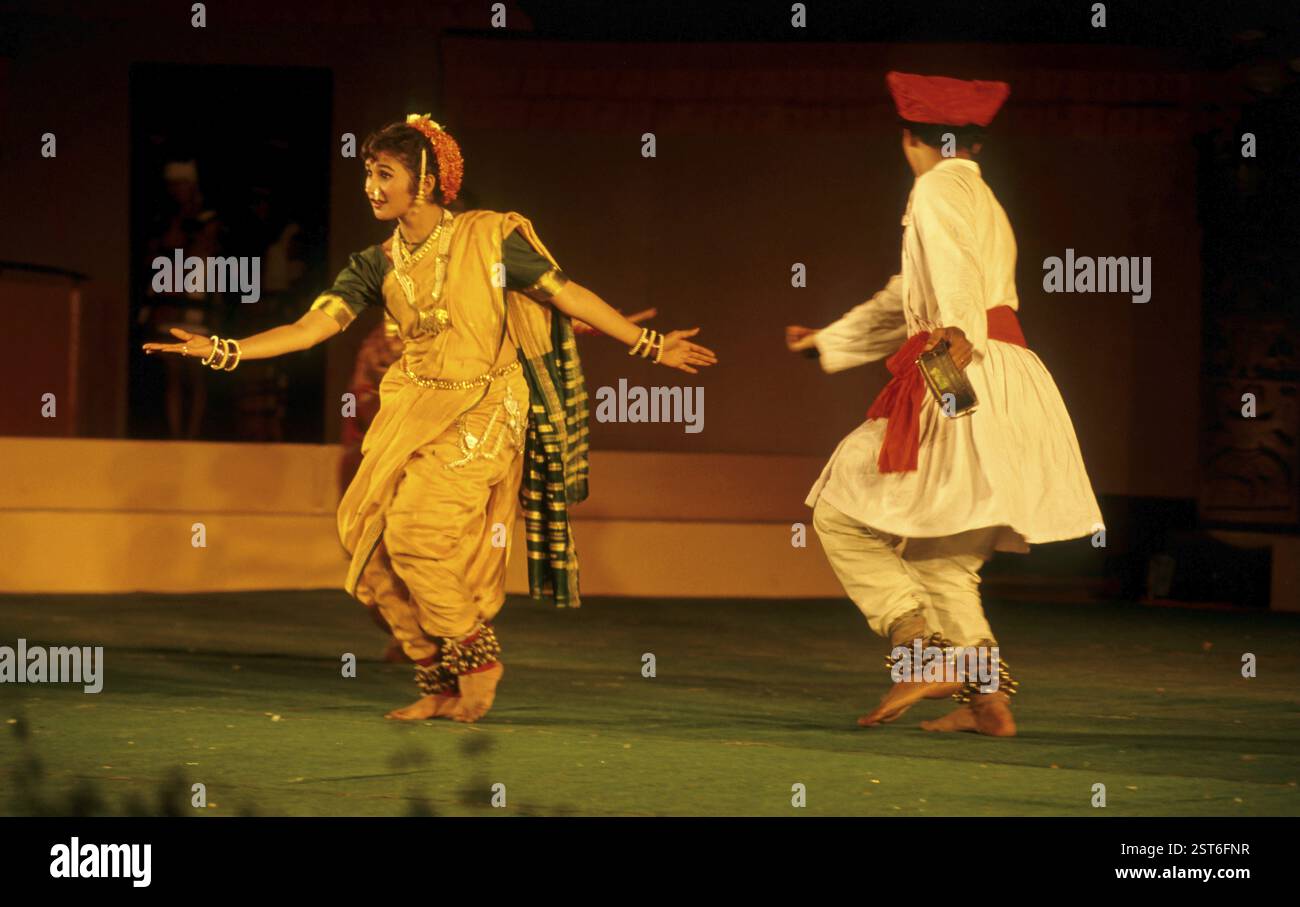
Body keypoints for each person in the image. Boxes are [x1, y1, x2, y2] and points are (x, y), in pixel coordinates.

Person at [145, 114, 717, 723]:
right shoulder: (374, 264)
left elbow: (565, 293)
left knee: (417, 532)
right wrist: (225, 349)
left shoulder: (492, 238)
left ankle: (476, 655)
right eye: (368, 172)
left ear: (424, 180)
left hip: (487, 408)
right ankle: (437, 677)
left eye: (384, 173)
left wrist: (648, 344)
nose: (371, 185)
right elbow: (312, 328)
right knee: (369, 548)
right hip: (411, 410)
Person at [788, 73, 1103, 737]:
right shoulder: (978, 194)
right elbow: (906, 295)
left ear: (911, 139)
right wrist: (828, 343)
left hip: (959, 369)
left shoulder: (935, 187)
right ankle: (987, 701)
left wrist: (957, 328)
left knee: (841, 504)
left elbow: (949, 280)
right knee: (941, 558)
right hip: (992, 371)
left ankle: (922, 649)